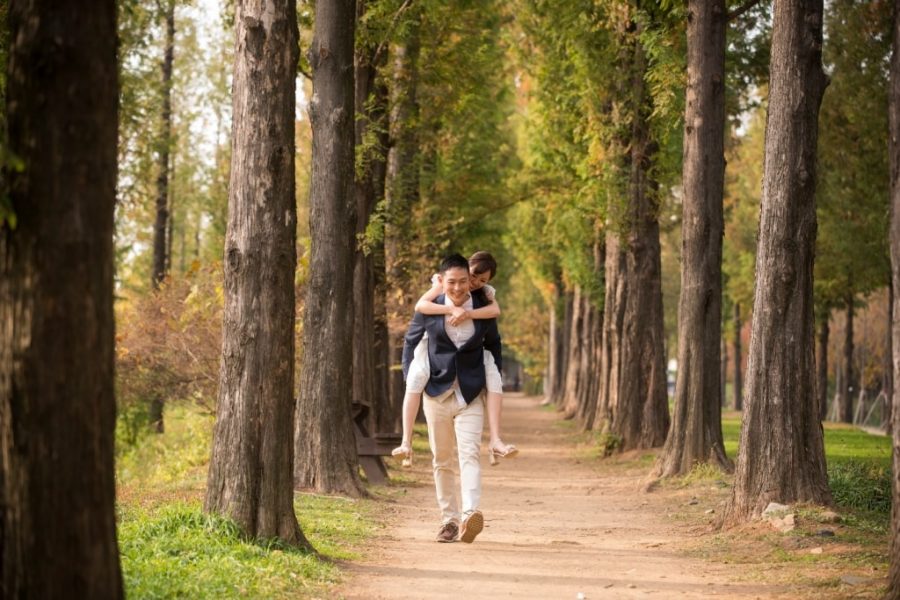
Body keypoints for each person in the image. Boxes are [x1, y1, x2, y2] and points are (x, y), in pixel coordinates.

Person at [400, 253, 502, 543]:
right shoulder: (430, 307)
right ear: (442, 281)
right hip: (436, 393)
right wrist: (410, 375)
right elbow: (411, 339)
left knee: (469, 453)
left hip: (469, 393)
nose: (459, 288)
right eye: (452, 282)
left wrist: (494, 377)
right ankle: (449, 521)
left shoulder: (483, 305)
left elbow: (494, 344)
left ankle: (470, 514)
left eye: (463, 282)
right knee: (441, 459)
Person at [393, 251, 517, 467]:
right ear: (464, 270)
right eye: (473, 276)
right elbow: (421, 307)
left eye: (483, 280)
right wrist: (452, 308)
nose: (475, 283)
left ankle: (496, 440)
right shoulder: (446, 283)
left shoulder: (483, 296)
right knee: (414, 379)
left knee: (495, 379)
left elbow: (495, 311)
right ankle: (406, 442)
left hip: (471, 359)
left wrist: (467, 314)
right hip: (429, 345)